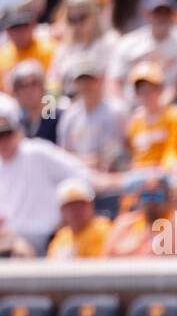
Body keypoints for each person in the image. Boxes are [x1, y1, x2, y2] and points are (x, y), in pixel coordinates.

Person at [0, 96, 91, 252]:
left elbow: (81, 175)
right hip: (14, 237)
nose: (4, 140)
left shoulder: (36, 151)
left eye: (7, 134)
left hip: (49, 234)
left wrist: (67, 212)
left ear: (18, 132)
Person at [107, 0, 177, 100]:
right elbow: (115, 80)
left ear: (174, 14)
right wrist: (123, 109)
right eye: (157, 12)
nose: (161, 17)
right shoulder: (128, 43)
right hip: (135, 105)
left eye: (166, 12)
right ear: (145, 13)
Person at [47, 177, 112, 259]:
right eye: (71, 206)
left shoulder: (102, 229)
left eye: (81, 205)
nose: (76, 211)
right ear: (62, 210)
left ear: (91, 205)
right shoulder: (62, 236)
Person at [10, 60, 57, 143]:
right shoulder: (16, 124)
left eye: (34, 83)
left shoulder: (58, 118)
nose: (29, 90)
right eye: (22, 86)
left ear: (43, 87)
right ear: (16, 92)